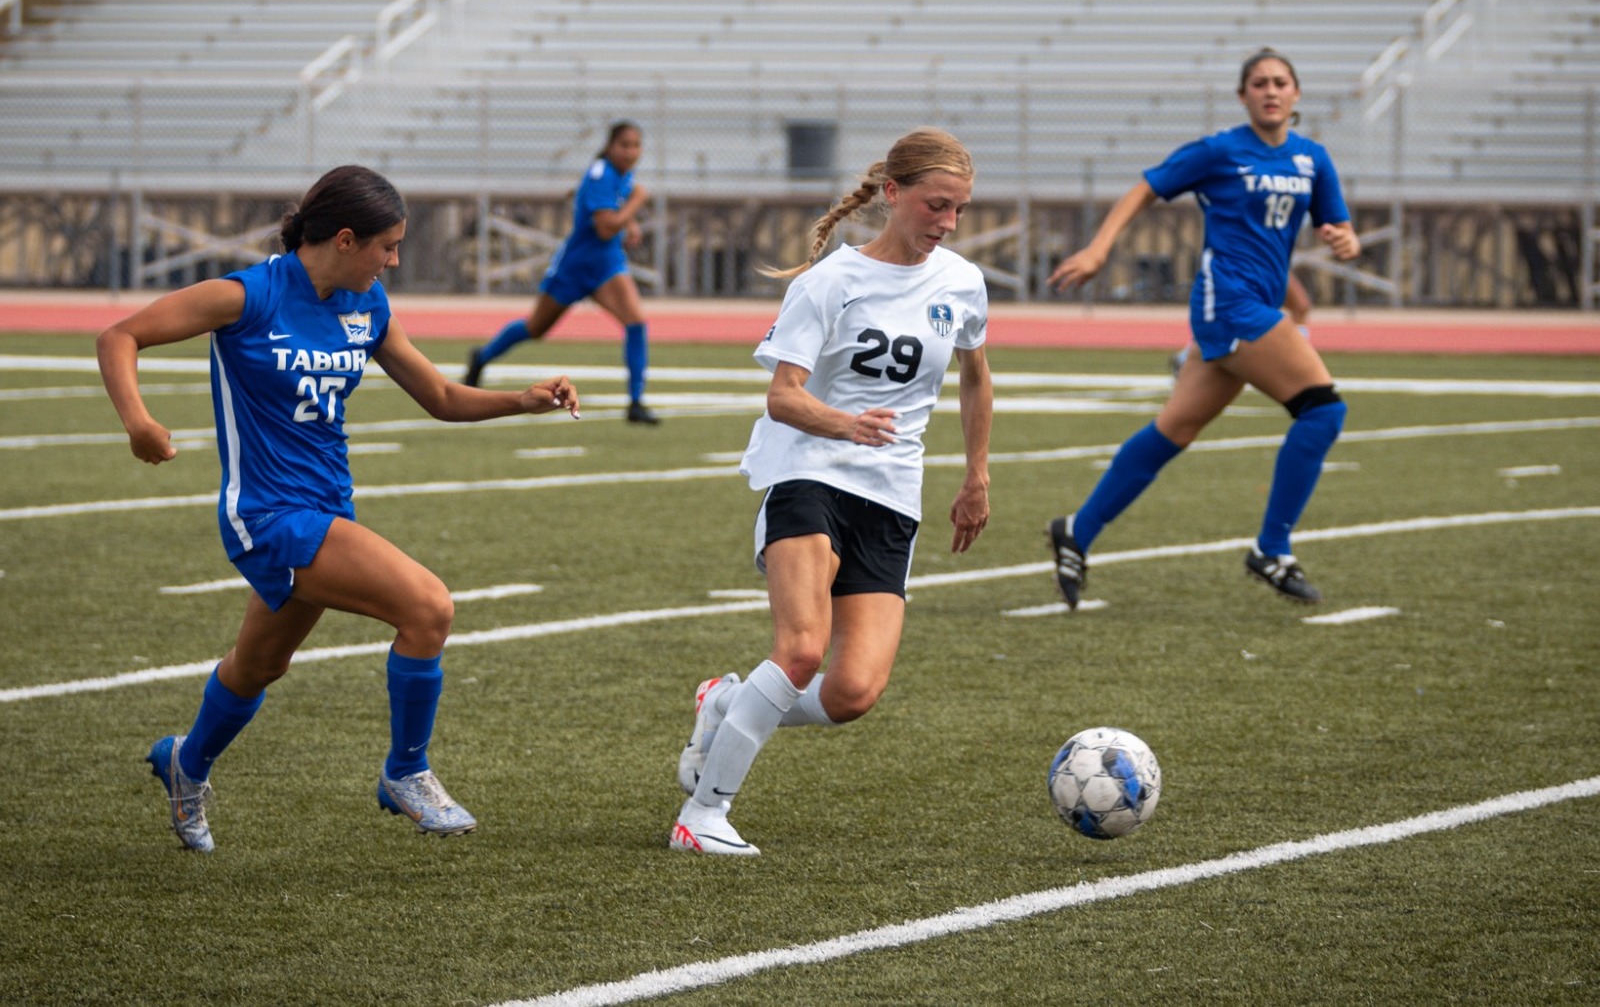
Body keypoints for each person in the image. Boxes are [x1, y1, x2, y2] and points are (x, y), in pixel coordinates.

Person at [97, 165, 581, 853]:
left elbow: (440, 397)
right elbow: (118, 336)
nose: (394, 259)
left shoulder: (368, 304)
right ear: (346, 239)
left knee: (257, 666)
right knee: (428, 606)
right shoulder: (248, 295)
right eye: (387, 245)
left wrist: (520, 400)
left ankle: (186, 762)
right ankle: (405, 770)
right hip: (268, 515)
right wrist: (139, 421)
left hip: (330, 509)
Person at [669, 128, 993, 856]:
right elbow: (783, 398)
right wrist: (844, 424)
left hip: (892, 495)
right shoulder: (828, 283)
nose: (947, 222)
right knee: (801, 651)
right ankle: (704, 812)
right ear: (892, 194)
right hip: (807, 474)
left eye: (960, 210)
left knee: (851, 693)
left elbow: (976, 374)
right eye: (936, 205)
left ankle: (723, 699)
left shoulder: (962, 283)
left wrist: (976, 474)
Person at [1047, 48, 1360, 607]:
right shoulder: (1220, 150)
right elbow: (1146, 186)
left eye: (1280, 82)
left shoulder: (1312, 159)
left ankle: (1078, 530)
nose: (1270, 90)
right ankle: (1272, 548)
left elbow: (1337, 225)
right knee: (1324, 410)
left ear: (1296, 95)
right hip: (1229, 306)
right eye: (1259, 83)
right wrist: (1099, 249)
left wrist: (1346, 240)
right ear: (1243, 96)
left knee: (1173, 432)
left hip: (1255, 307)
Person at [463, 120, 659, 424]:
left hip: (607, 265)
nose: (631, 151)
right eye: (625, 145)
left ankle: (636, 402)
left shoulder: (620, 174)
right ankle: (482, 357)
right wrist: (635, 205)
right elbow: (606, 228)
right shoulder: (601, 173)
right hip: (575, 266)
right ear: (610, 147)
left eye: (636, 145)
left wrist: (629, 222)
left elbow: (608, 209)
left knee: (636, 323)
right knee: (535, 328)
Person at [1171, 272, 1311, 377]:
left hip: (1270, 257)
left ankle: (1292, 358)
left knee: (1298, 306)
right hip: (1250, 257)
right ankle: (1190, 356)